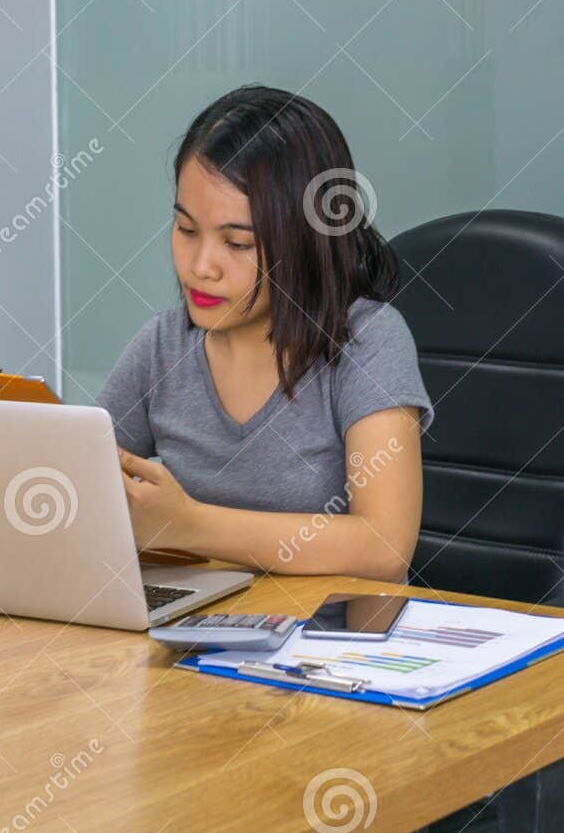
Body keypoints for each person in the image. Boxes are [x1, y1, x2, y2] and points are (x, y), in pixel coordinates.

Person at [96, 85, 433, 581]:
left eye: (237, 242)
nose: (201, 266)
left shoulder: (367, 341)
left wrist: (189, 525)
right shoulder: (160, 347)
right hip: (186, 633)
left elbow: (384, 546)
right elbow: (79, 488)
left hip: (323, 647)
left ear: (306, 241)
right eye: (186, 230)